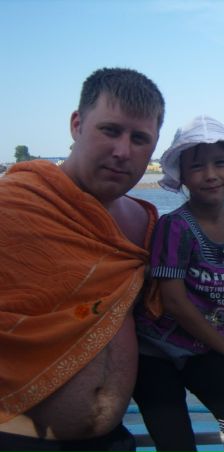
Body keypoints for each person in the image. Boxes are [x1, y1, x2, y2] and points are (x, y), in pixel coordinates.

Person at [0, 67, 165, 451]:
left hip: (111, 439)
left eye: (139, 138)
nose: (122, 151)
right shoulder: (14, 205)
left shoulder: (146, 224)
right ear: (77, 125)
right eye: (110, 130)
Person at [132, 115, 224, 452]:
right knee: (176, 442)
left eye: (220, 163)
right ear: (182, 176)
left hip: (204, 348)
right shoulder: (175, 227)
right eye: (197, 167)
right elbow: (173, 300)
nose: (211, 175)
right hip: (155, 351)